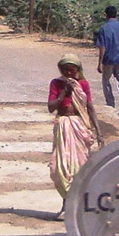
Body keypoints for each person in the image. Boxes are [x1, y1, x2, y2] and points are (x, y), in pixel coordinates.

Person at [47, 55, 100, 199]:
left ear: (77, 69)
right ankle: (66, 201)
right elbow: (51, 107)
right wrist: (64, 92)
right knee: (61, 166)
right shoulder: (56, 84)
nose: (68, 73)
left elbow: (90, 108)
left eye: (71, 70)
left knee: (81, 164)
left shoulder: (83, 84)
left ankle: (77, 202)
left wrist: (98, 132)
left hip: (79, 127)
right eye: (65, 70)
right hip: (64, 126)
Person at [95, 5, 119, 115]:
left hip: (108, 59)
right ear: (116, 14)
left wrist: (99, 63)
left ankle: (110, 105)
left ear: (105, 15)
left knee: (106, 82)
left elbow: (103, 47)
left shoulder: (104, 28)